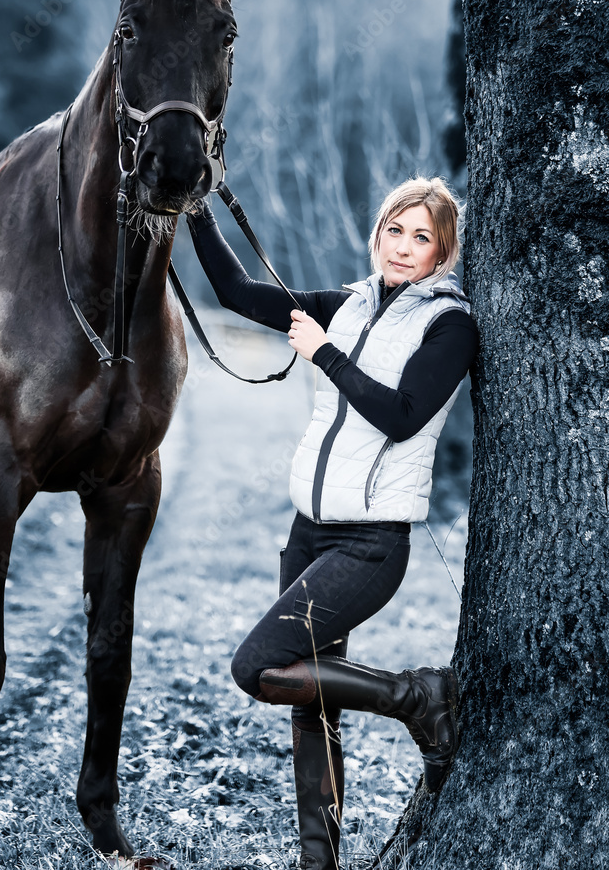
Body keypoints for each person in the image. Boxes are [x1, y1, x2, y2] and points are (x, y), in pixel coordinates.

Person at [186, 177, 478, 870]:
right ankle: (320, 862)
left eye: (421, 236)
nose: (403, 247)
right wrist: (194, 205)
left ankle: (417, 697)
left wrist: (323, 353)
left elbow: (402, 415)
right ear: (376, 234)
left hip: (370, 543)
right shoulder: (346, 305)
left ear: (442, 252)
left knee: (257, 668)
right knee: (307, 699)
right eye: (394, 230)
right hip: (308, 532)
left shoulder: (449, 325)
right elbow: (235, 292)